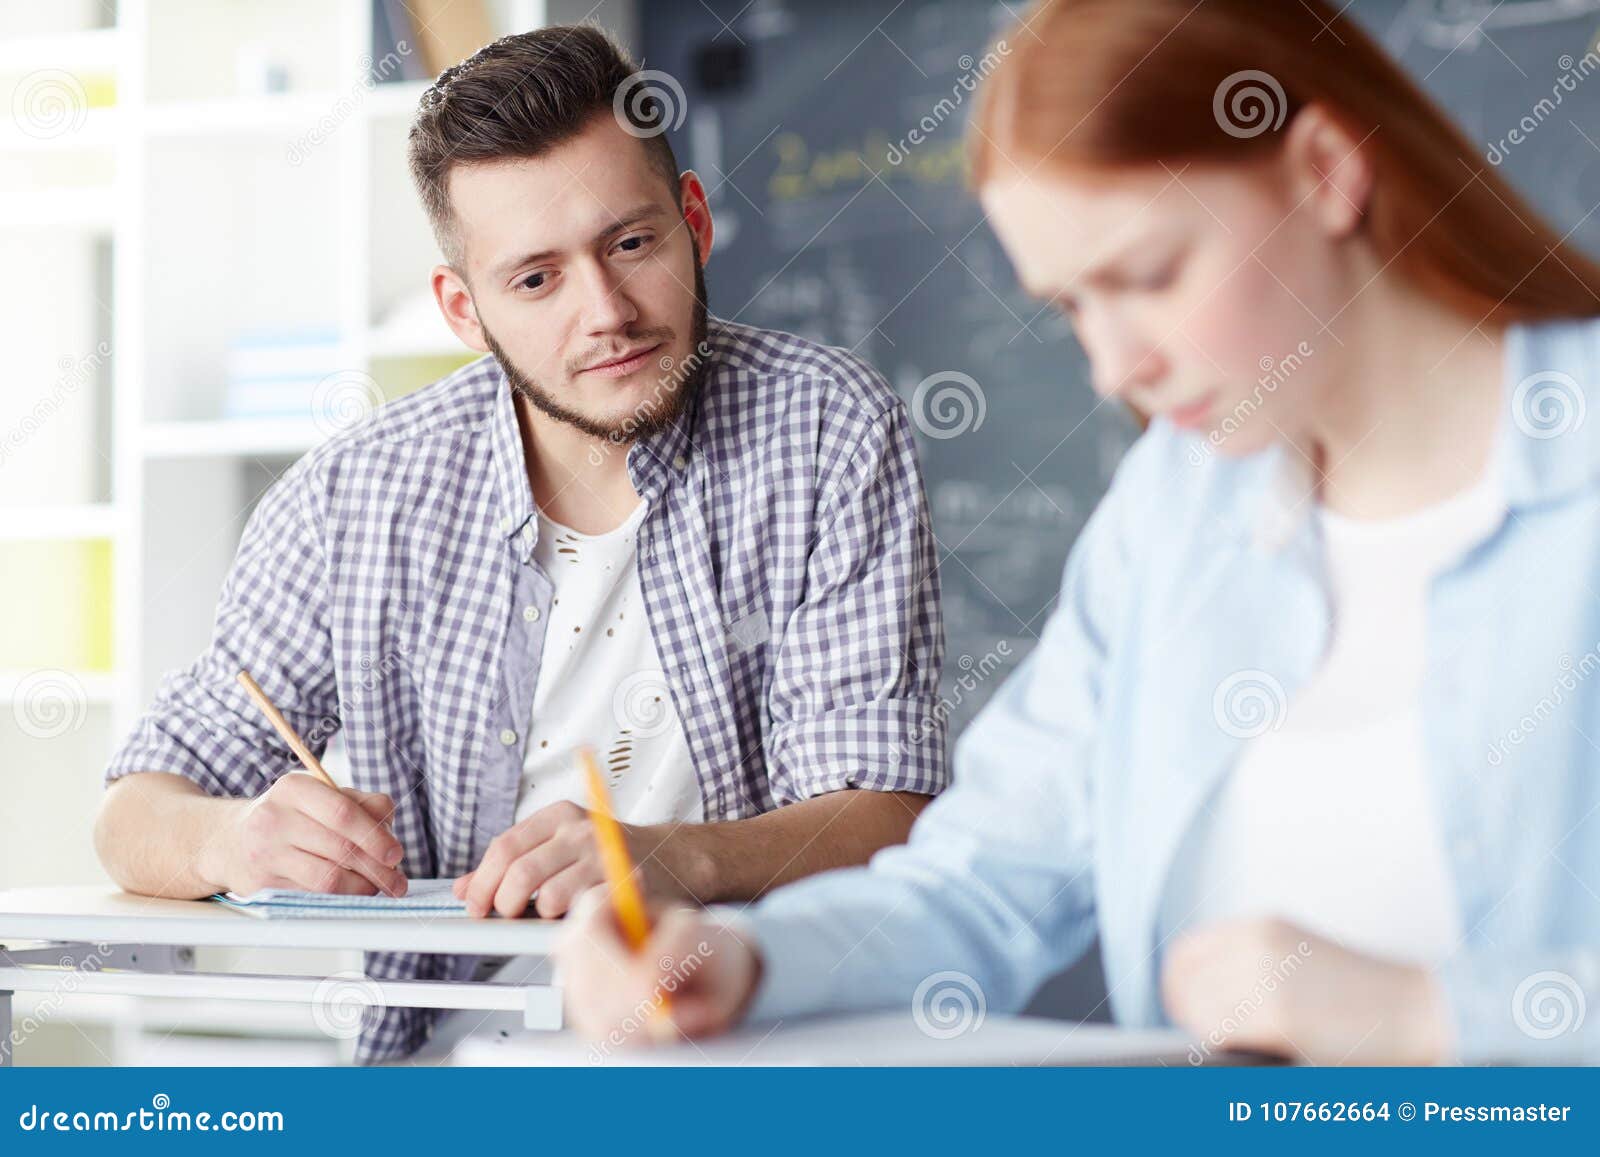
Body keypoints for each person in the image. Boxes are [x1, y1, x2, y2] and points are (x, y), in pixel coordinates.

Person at [556, 0, 1600, 1064]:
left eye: (1145, 277)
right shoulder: (1179, 507)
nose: (1113, 369)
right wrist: (745, 960)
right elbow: (985, 880)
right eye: (1071, 307)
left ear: (1327, 171)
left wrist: (1427, 1015)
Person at [94, 25, 946, 1064]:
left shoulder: (825, 429)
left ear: (693, 221)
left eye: (630, 243)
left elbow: (885, 812)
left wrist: (670, 860)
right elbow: (132, 811)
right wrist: (233, 837)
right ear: (465, 308)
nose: (608, 314)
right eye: (536, 280)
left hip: (741, 1050)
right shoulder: (356, 495)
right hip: (447, 1067)